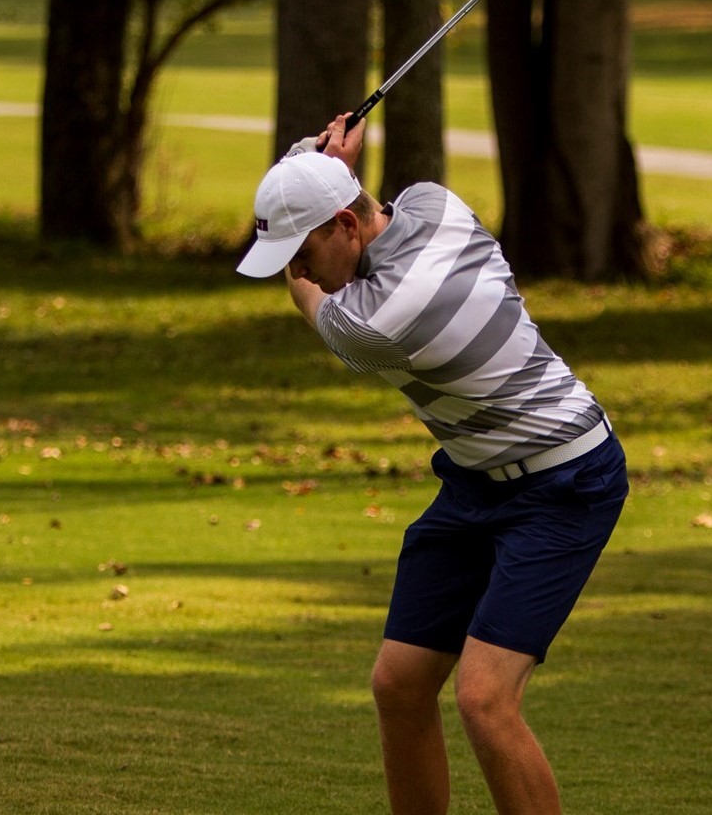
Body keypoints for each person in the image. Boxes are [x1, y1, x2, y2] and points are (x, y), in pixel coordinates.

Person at [236, 113, 627, 815]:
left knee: (484, 699)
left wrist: (320, 166)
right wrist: (321, 166)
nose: (296, 269)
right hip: (478, 479)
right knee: (399, 684)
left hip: (566, 480)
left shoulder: (374, 323)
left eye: (300, 250)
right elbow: (352, 209)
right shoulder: (435, 203)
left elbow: (312, 302)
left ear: (347, 229)